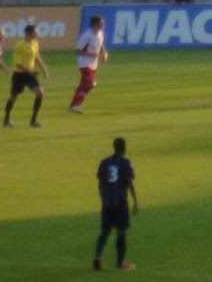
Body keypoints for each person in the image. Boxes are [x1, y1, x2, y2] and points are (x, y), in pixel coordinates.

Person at [93, 135, 139, 271]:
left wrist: (104, 199)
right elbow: (130, 183)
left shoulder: (104, 162)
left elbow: (100, 185)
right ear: (124, 148)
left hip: (107, 203)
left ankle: (97, 256)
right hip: (120, 203)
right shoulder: (126, 163)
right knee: (121, 232)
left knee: (105, 231)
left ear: (114, 147)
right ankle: (120, 263)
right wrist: (135, 201)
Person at [4, 23, 50, 128]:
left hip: (30, 74)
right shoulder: (20, 45)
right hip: (19, 75)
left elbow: (37, 57)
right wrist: (30, 71)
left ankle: (33, 120)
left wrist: (44, 69)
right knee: (13, 97)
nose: (37, 34)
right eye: (35, 32)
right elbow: (18, 64)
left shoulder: (35, 43)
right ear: (29, 33)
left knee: (40, 93)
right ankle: (6, 119)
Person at [70, 14, 108, 113]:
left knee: (85, 85)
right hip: (84, 63)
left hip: (93, 64)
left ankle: (75, 105)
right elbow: (78, 50)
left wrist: (104, 53)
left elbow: (101, 44)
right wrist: (89, 54)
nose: (103, 25)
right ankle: (76, 104)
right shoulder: (87, 35)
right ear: (95, 24)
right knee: (91, 84)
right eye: (101, 23)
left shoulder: (100, 33)